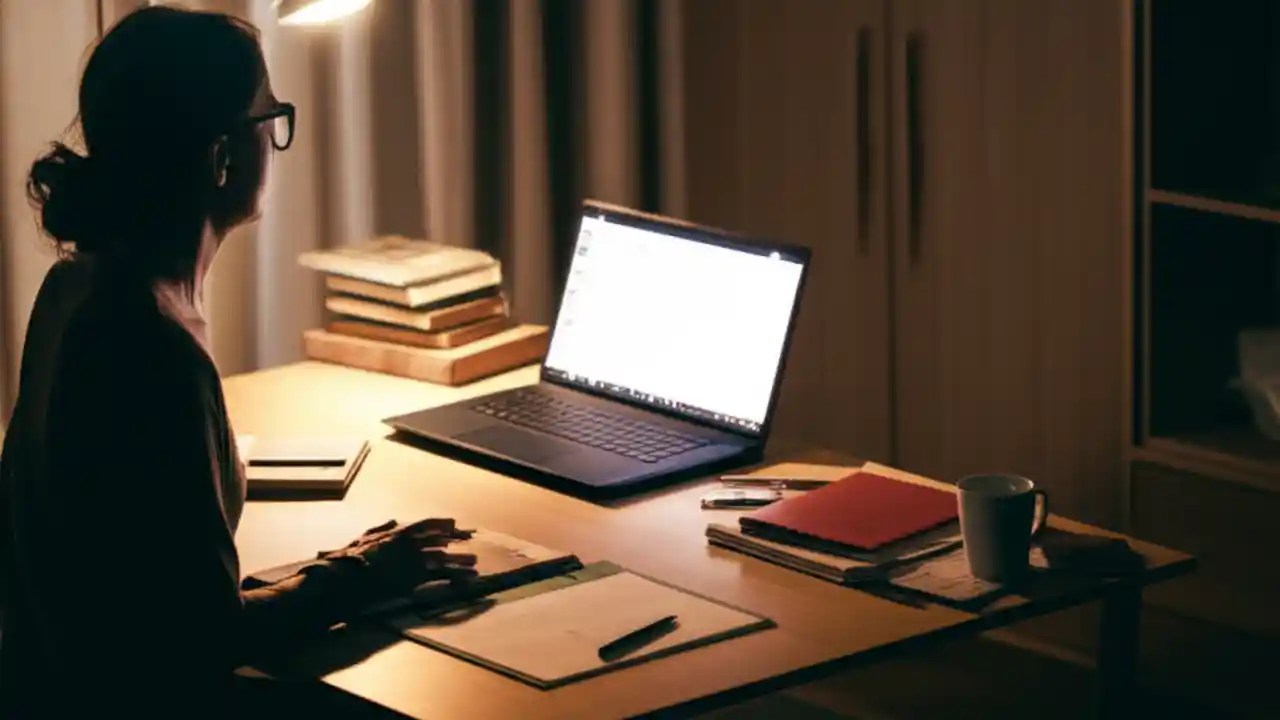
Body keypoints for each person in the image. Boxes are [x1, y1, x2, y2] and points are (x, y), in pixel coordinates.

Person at [0, 7, 476, 717]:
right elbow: (202, 637)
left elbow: (149, 594)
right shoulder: (149, 346)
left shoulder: (78, 286)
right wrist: (364, 575)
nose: (276, 141)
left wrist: (339, 567)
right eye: (269, 116)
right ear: (221, 156)